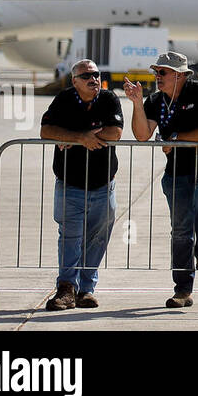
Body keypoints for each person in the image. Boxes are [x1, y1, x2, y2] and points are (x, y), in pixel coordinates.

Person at [125, 51, 198, 309]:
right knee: (180, 231)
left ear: (180, 75)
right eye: (156, 72)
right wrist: (137, 103)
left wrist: (175, 139)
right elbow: (142, 134)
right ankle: (182, 291)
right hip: (177, 171)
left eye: (163, 72)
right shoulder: (155, 100)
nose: (157, 77)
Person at [38, 59, 123, 310]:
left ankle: (86, 289)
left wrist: (72, 135)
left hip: (102, 185)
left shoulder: (108, 99)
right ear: (74, 81)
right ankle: (66, 289)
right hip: (69, 184)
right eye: (86, 76)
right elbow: (46, 130)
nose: (93, 79)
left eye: (96, 74)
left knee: (97, 238)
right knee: (70, 237)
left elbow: (115, 132)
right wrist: (80, 137)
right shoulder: (64, 100)